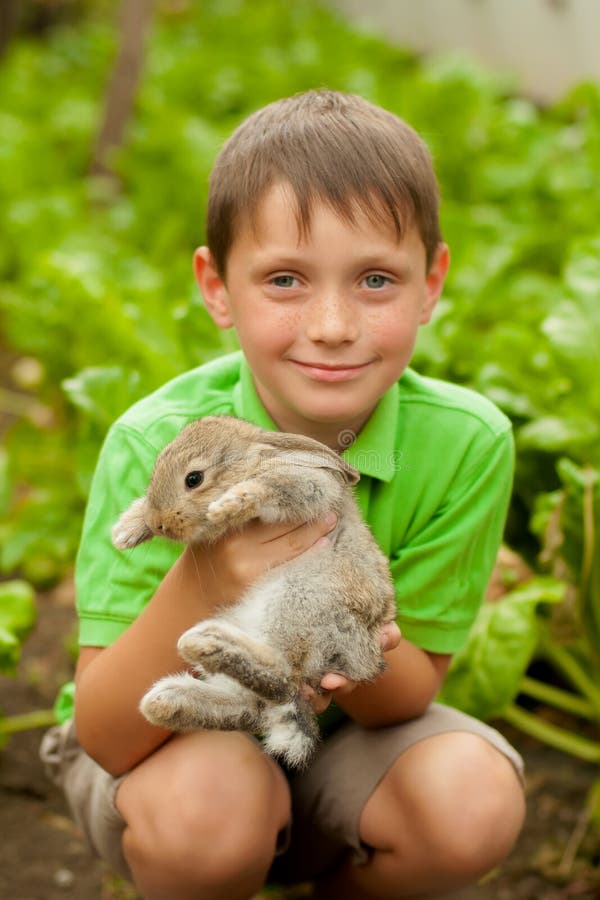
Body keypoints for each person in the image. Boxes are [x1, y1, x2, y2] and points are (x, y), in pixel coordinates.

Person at [41, 89, 525, 899]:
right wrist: (205, 578)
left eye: (375, 279)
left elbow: (406, 700)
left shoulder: (467, 442)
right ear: (217, 287)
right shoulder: (158, 443)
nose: (332, 324)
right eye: (285, 280)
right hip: (165, 749)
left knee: (468, 801)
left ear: (432, 282)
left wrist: (347, 630)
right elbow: (108, 732)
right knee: (211, 810)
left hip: (335, 743)